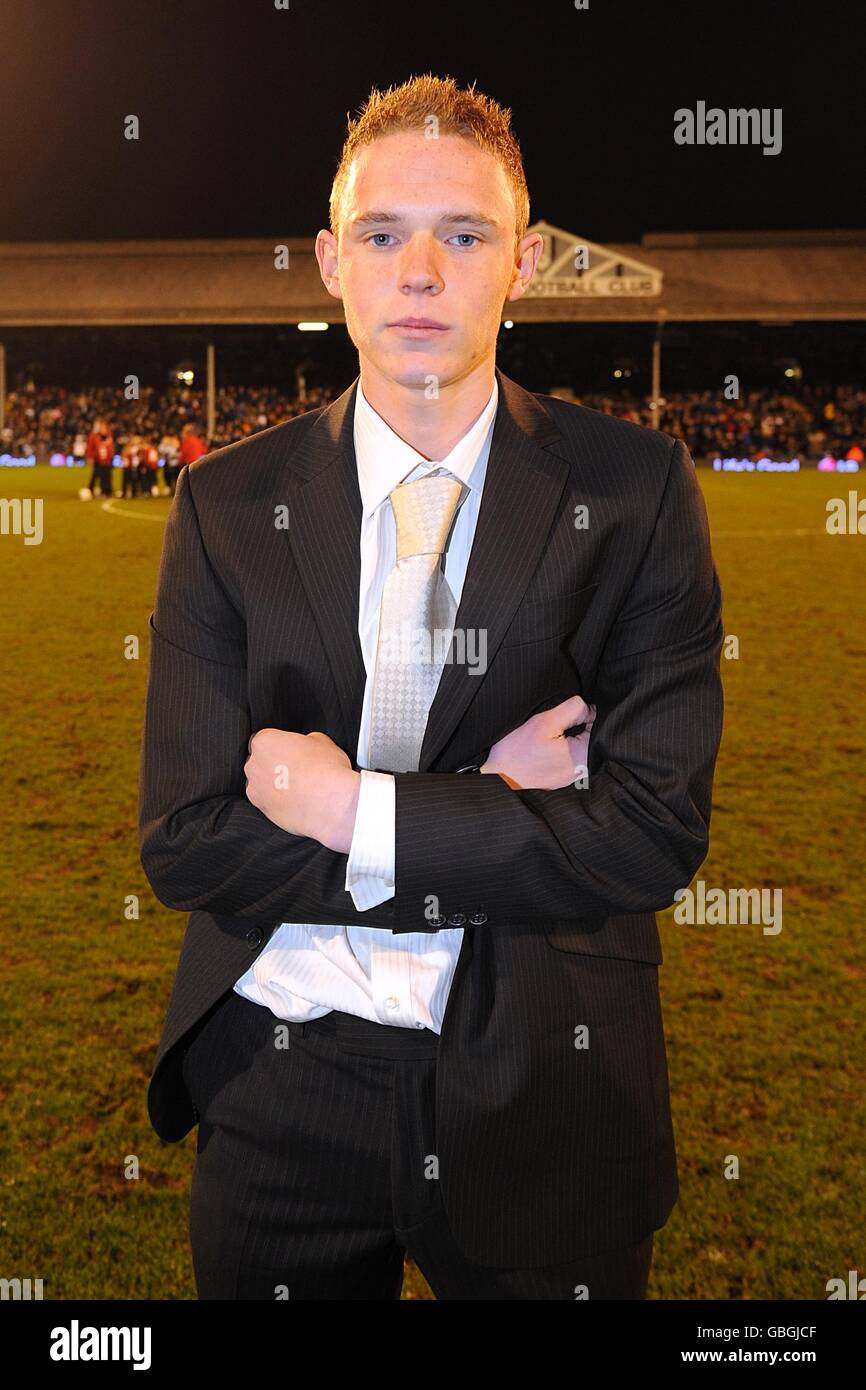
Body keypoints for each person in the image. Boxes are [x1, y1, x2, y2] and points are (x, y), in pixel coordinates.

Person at [139, 74, 723, 1301]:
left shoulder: (635, 494)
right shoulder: (225, 504)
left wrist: (360, 812)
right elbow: (187, 842)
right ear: (326, 262)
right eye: (381, 234)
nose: (419, 271)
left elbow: (649, 836)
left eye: (462, 235)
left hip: (543, 1078)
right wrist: (489, 808)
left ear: (521, 261)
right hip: (280, 1074)